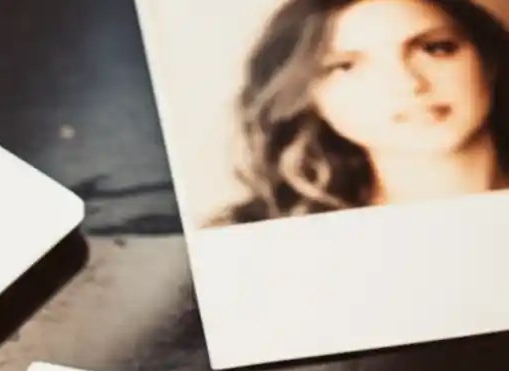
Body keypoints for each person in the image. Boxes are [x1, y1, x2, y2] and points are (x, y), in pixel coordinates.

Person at [213, 0, 509, 225]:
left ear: (488, 59)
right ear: (307, 96)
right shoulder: (251, 240)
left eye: (436, 48)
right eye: (346, 66)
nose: (407, 83)